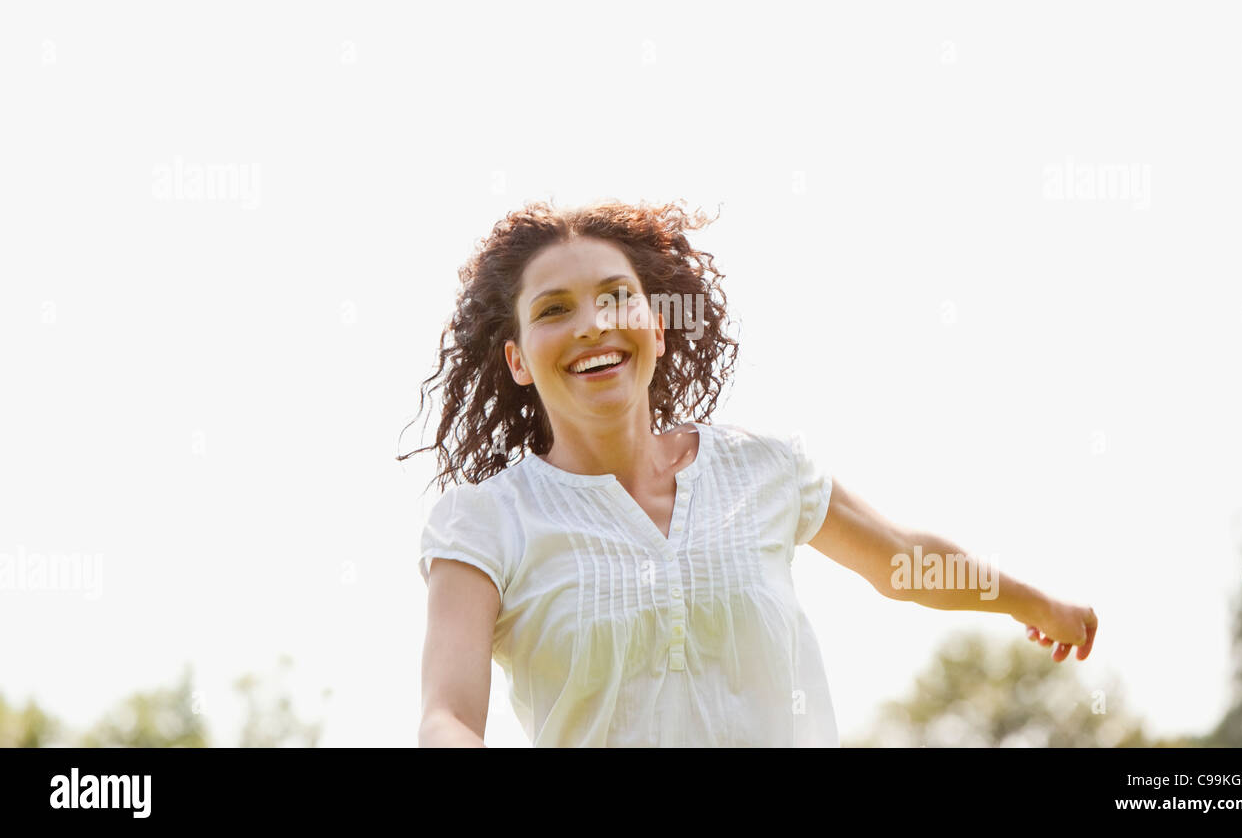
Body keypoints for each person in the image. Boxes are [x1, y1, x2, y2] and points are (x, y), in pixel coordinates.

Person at [401, 198, 1098, 747]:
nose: (592, 325)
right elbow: (446, 716)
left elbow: (903, 561)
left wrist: (1038, 605)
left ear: (657, 325)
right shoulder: (485, 522)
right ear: (519, 360)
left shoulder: (761, 467)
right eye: (555, 309)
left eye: (617, 297)